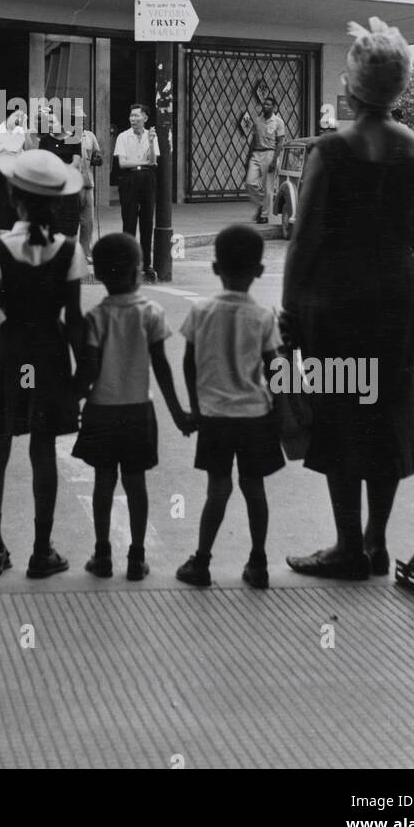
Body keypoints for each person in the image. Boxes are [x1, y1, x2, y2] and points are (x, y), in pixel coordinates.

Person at [281, 18, 414, 580]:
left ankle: (348, 544)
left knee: (339, 417)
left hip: (334, 308)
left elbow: (305, 240)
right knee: (387, 419)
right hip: (395, 308)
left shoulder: (330, 150)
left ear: (352, 87)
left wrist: (289, 312)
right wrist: (407, 300)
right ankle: (375, 543)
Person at [0, 150, 86, 580]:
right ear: (56, 204)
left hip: (8, 354)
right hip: (48, 354)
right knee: (43, 447)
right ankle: (41, 550)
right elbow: (74, 321)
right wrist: (82, 376)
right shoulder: (70, 251)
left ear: (14, 200)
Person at [72, 234, 190, 580]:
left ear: (101, 276)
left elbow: (89, 370)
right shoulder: (151, 312)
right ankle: (137, 557)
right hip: (139, 412)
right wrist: (179, 413)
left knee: (103, 483)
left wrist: (71, 399)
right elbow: (162, 369)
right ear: (138, 272)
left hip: (102, 410)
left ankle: (102, 553)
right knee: (136, 484)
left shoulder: (96, 317)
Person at [175, 225, 284, 590]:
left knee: (217, 488)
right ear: (260, 272)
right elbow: (275, 368)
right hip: (256, 416)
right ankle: (258, 562)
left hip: (215, 417)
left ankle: (202, 561)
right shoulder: (264, 317)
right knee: (255, 489)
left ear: (214, 268)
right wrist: (283, 410)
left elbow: (188, 362)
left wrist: (194, 407)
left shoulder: (201, 311)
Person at [113, 104, 159, 283]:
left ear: (145, 118)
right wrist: (141, 161)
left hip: (148, 179)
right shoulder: (123, 137)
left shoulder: (151, 135)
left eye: (136, 116)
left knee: (147, 222)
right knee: (129, 222)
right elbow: (122, 164)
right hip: (129, 179)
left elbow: (153, 161)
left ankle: (147, 264)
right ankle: (128, 264)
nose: (133, 119)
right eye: (131, 116)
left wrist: (150, 142)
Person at [0, 103, 29, 243]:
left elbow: (31, 149)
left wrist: (25, 128)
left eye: (21, 116)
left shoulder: (22, 132)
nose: (19, 119)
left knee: (17, 219)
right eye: (16, 115)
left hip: (17, 177)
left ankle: (14, 253)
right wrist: (1, 154)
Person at [36, 105, 82, 239]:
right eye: (47, 122)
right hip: (51, 190)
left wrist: (59, 170)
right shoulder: (44, 141)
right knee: (51, 226)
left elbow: (76, 163)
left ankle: (70, 256)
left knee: (70, 227)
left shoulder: (74, 138)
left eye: (52, 122)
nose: (49, 125)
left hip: (69, 188)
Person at [245, 95, 286, 224]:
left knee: (268, 187)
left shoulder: (278, 122)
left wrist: (274, 160)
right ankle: (262, 204)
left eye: (268, 104)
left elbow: (280, 142)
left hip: (270, 153)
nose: (265, 106)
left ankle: (264, 214)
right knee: (250, 183)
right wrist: (248, 156)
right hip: (257, 153)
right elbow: (253, 139)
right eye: (264, 104)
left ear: (274, 107)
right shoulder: (258, 121)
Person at [70, 109, 103, 263]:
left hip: (87, 183)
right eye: (77, 119)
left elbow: (98, 155)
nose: (81, 122)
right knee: (71, 220)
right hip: (71, 184)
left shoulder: (90, 136)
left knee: (87, 221)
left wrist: (97, 157)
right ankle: (71, 253)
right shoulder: (67, 136)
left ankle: (85, 252)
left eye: (82, 119)